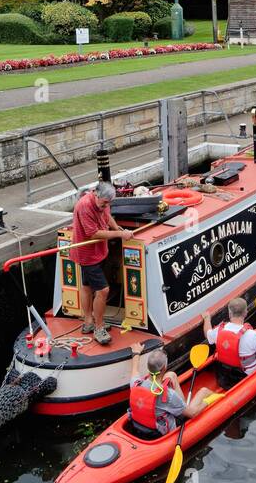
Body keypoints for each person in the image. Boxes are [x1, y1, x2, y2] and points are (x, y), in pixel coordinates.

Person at [72, 181, 128, 344]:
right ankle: (99, 327)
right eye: (104, 203)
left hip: (98, 253)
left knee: (87, 286)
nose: (106, 206)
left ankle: (88, 322)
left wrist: (117, 228)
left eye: (108, 204)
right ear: (96, 195)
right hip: (87, 254)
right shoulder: (84, 206)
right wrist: (119, 235)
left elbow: (106, 216)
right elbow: (93, 233)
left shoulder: (104, 202)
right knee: (103, 290)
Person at [128, 349, 212, 437]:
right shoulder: (168, 395)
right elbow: (192, 414)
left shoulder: (136, 384)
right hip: (160, 431)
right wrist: (208, 401)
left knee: (171, 375)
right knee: (204, 391)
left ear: (148, 367)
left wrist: (136, 353)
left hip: (141, 424)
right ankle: (218, 395)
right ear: (164, 367)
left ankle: (182, 404)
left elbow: (135, 371)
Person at [201, 296, 256, 390]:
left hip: (224, 376)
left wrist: (206, 319)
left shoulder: (219, 330)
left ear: (229, 313)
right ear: (246, 313)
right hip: (245, 377)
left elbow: (207, 334)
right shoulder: (251, 335)